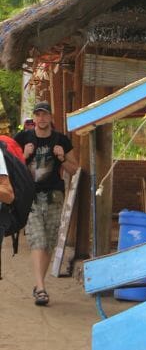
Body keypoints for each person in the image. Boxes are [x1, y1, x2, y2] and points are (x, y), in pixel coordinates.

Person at [13, 101, 78, 305]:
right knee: (38, 239)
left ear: (51, 118)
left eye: (45, 115)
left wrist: (61, 158)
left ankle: (39, 286)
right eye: (38, 115)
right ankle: (41, 287)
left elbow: (75, 169)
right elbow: (10, 165)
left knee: (48, 242)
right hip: (29, 197)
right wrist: (24, 156)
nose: (41, 118)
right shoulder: (23, 138)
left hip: (54, 197)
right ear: (34, 118)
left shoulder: (61, 141)